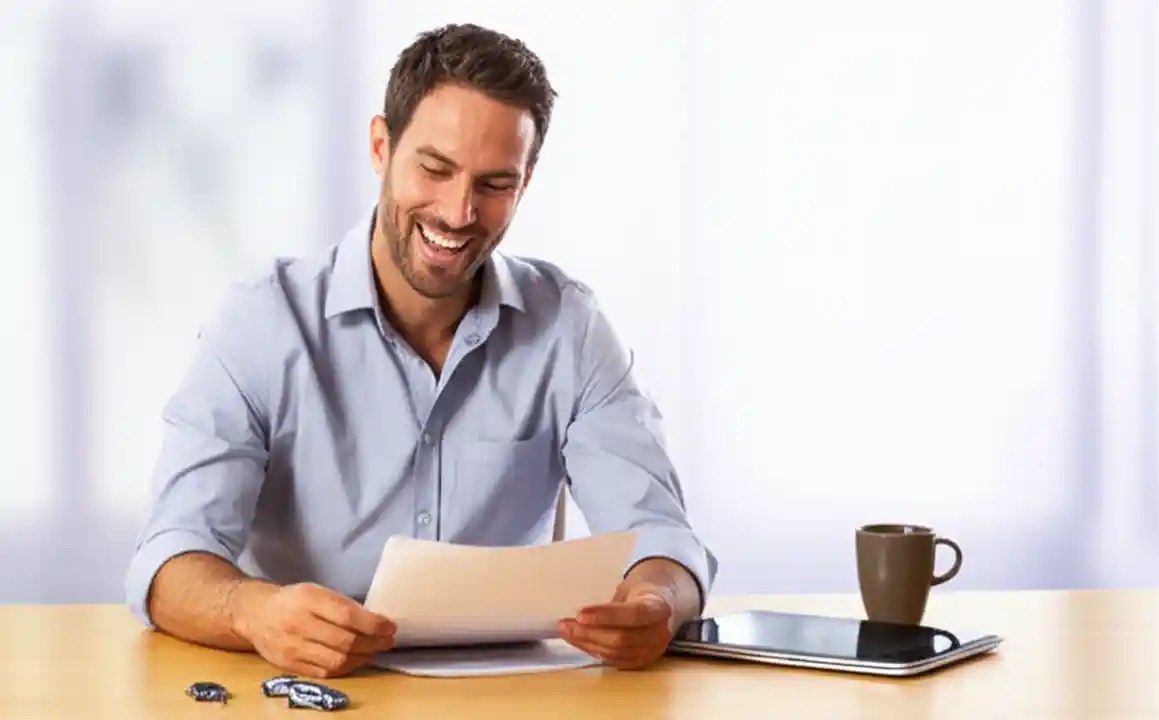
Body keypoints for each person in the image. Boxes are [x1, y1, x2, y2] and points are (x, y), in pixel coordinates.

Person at [124, 22, 716, 678]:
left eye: (495, 184)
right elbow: (170, 560)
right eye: (435, 169)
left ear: (526, 181)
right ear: (381, 146)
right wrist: (253, 613)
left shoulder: (568, 327)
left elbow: (663, 538)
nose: (459, 212)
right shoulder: (264, 320)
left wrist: (656, 602)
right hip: (310, 692)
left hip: (510, 699)